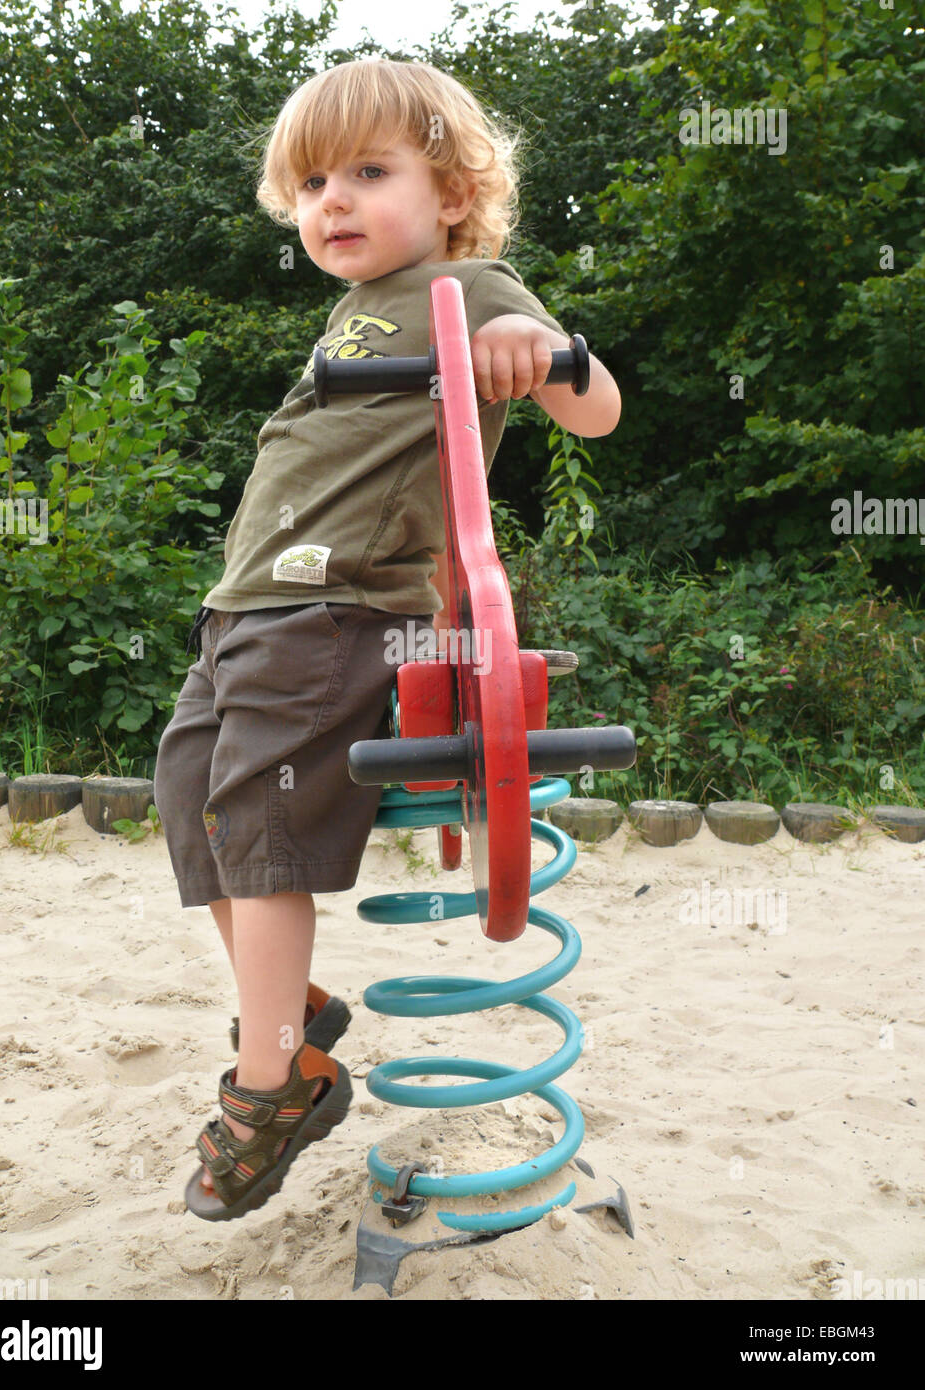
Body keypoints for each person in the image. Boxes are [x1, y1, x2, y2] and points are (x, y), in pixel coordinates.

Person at [152, 57, 620, 1222]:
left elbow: (593, 404)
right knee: (191, 801)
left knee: (259, 823)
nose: (334, 202)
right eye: (311, 184)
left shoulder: (473, 285)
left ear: (453, 191)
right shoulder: (355, 309)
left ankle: (269, 1089)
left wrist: (539, 356)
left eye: (368, 172)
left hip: (341, 607)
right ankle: (297, 1023)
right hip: (248, 605)